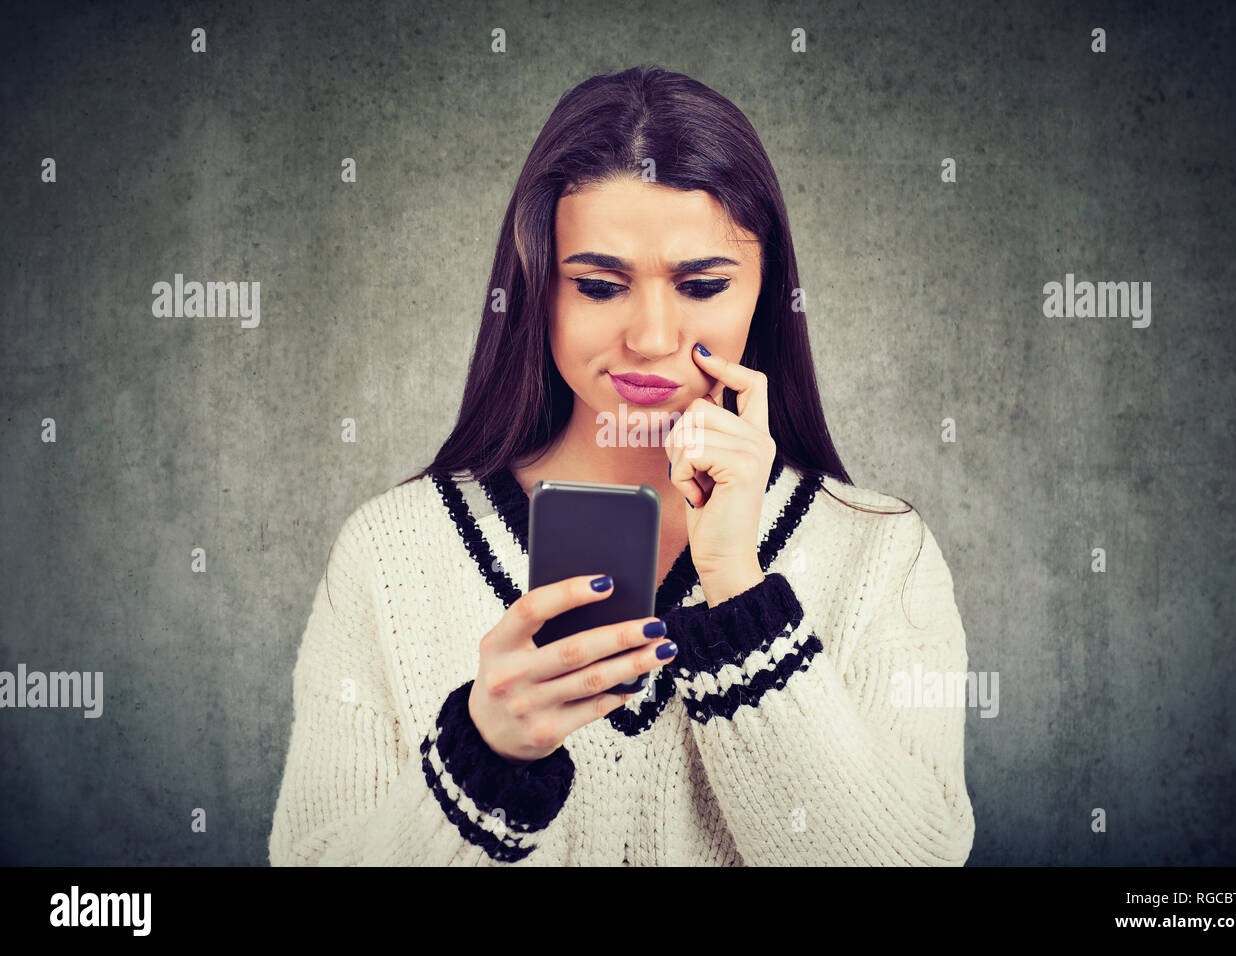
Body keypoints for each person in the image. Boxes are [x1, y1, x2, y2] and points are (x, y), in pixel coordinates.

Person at [268, 65, 975, 866]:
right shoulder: (389, 551)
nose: (649, 336)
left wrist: (738, 587)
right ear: (537, 290)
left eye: (703, 283)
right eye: (599, 286)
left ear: (765, 292)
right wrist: (483, 758)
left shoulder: (880, 552)